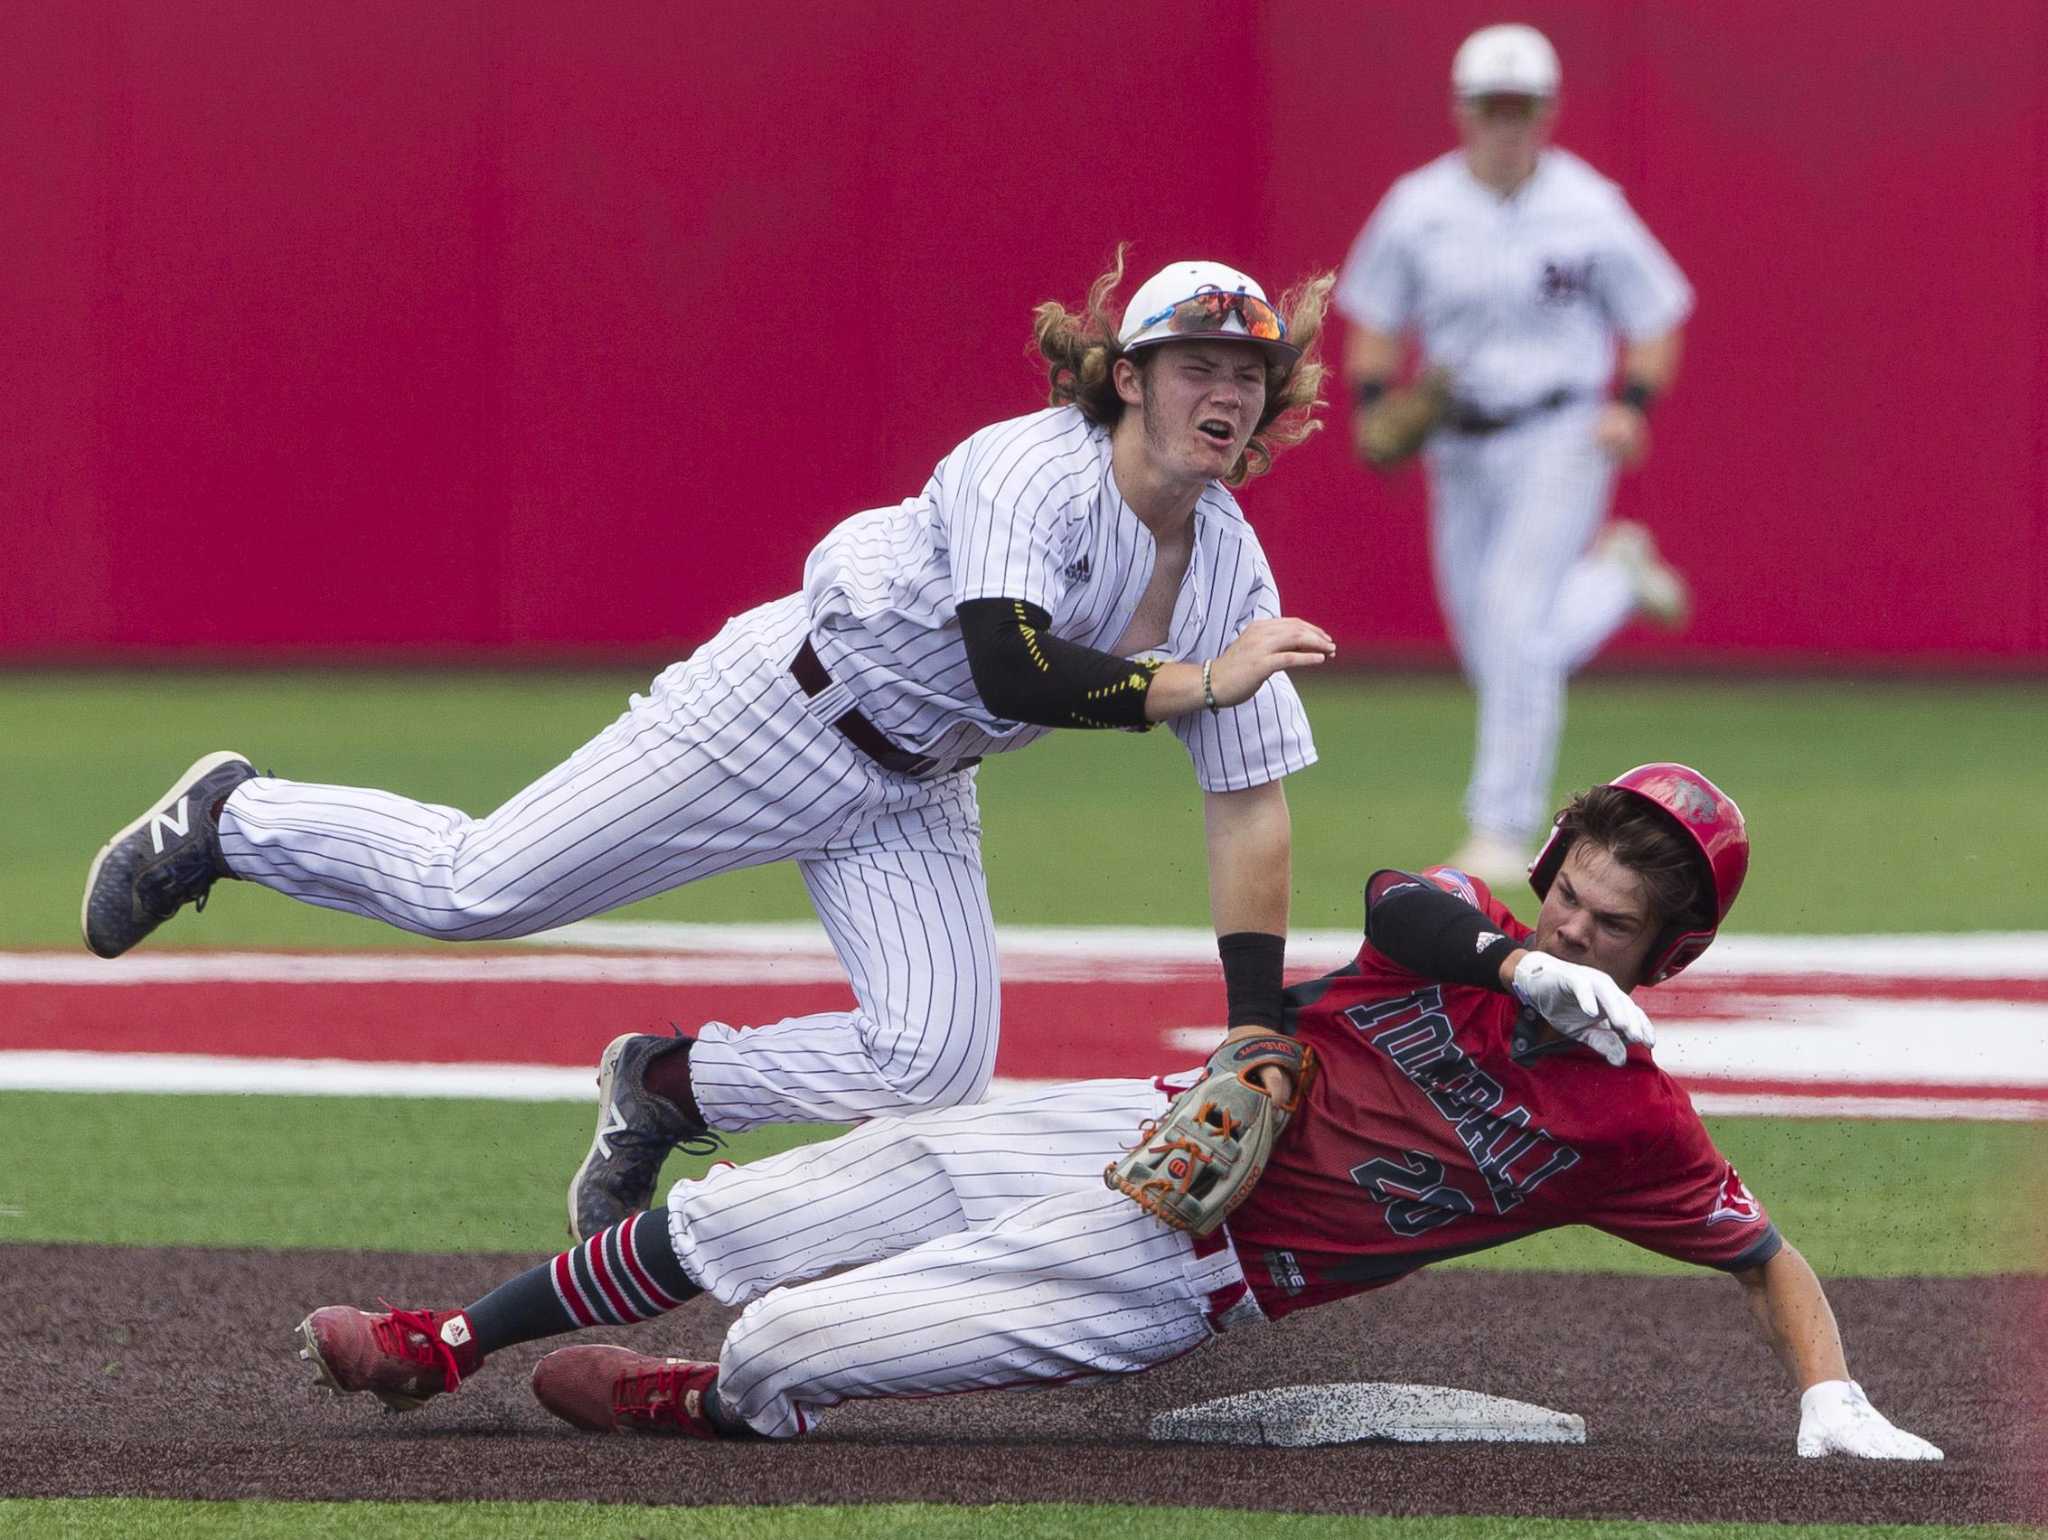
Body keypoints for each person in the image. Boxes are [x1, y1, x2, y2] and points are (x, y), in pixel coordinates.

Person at [80, 251, 1339, 1242]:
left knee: (935, 1061)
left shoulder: (1226, 558)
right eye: (1195, 363)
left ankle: (671, 1089)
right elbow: (1013, 661)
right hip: (780, 706)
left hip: (915, 785)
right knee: (475, 890)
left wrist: (1243, 1026)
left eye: (1248, 372)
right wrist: (1188, 682)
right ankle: (234, 820)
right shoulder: (1029, 469)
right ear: (1128, 375)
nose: (1224, 392)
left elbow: (1249, 803)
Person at [292, 763, 1941, 1461]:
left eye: (1613, 921)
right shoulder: (1457, 937)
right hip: (1139, 1122)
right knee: (766, 1208)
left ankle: (715, 1406)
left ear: (1672, 948)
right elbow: (1405, 900)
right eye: (1573, 891)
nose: (1582, 925)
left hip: (1187, 1270)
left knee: (787, 1339)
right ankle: (448, 1339)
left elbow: (1760, 1252)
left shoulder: (1634, 1124)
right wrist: (1520, 967)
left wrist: (1829, 1391)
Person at [1337, 23, 1696, 888]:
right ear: (1462, 111)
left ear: (1548, 110)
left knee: (1511, 620)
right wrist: (1374, 409)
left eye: (1521, 106)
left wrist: (1630, 405)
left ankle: (1501, 826)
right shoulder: (1418, 208)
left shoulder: (1588, 206)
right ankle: (1614, 578)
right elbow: (1375, 327)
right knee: (1488, 640)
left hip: (1560, 429)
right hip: (1459, 441)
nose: (1506, 123)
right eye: (1492, 106)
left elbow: (1655, 317)